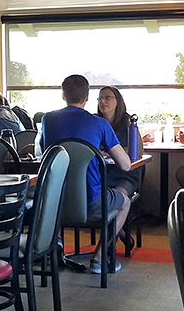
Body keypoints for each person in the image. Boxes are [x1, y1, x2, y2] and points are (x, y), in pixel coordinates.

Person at [41, 74, 131, 273]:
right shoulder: (99, 124)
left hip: (55, 201)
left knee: (52, 194)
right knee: (125, 202)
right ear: (88, 97)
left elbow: (44, 153)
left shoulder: (48, 120)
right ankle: (98, 259)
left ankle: (56, 244)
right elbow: (125, 166)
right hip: (91, 200)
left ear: (63, 95)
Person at [96, 85, 143, 197]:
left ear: (118, 101)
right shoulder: (95, 121)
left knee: (118, 195)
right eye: (100, 98)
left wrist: (111, 151)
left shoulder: (128, 121)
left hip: (125, 174)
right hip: (101, 172)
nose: (103, 101)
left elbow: (138, 151)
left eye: (107, 97)